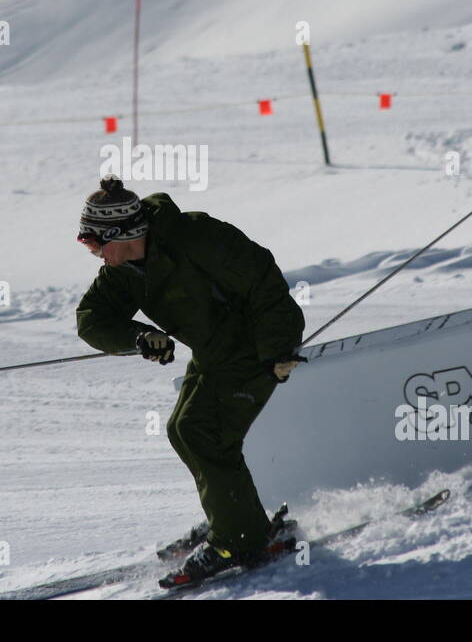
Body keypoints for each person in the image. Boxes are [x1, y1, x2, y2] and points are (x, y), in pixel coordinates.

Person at [75, 175, 305, 583]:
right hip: (214, 352)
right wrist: (139, 337)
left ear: (121, 233)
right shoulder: (124, 269)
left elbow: (263, 281)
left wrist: (279, 348)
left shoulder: (195, 236)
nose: (94, 254)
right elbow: (92, 319)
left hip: (254, 349)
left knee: (203, 432)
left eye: (94, 243)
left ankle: (239, 538)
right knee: (182, 430)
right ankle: (233, 518)